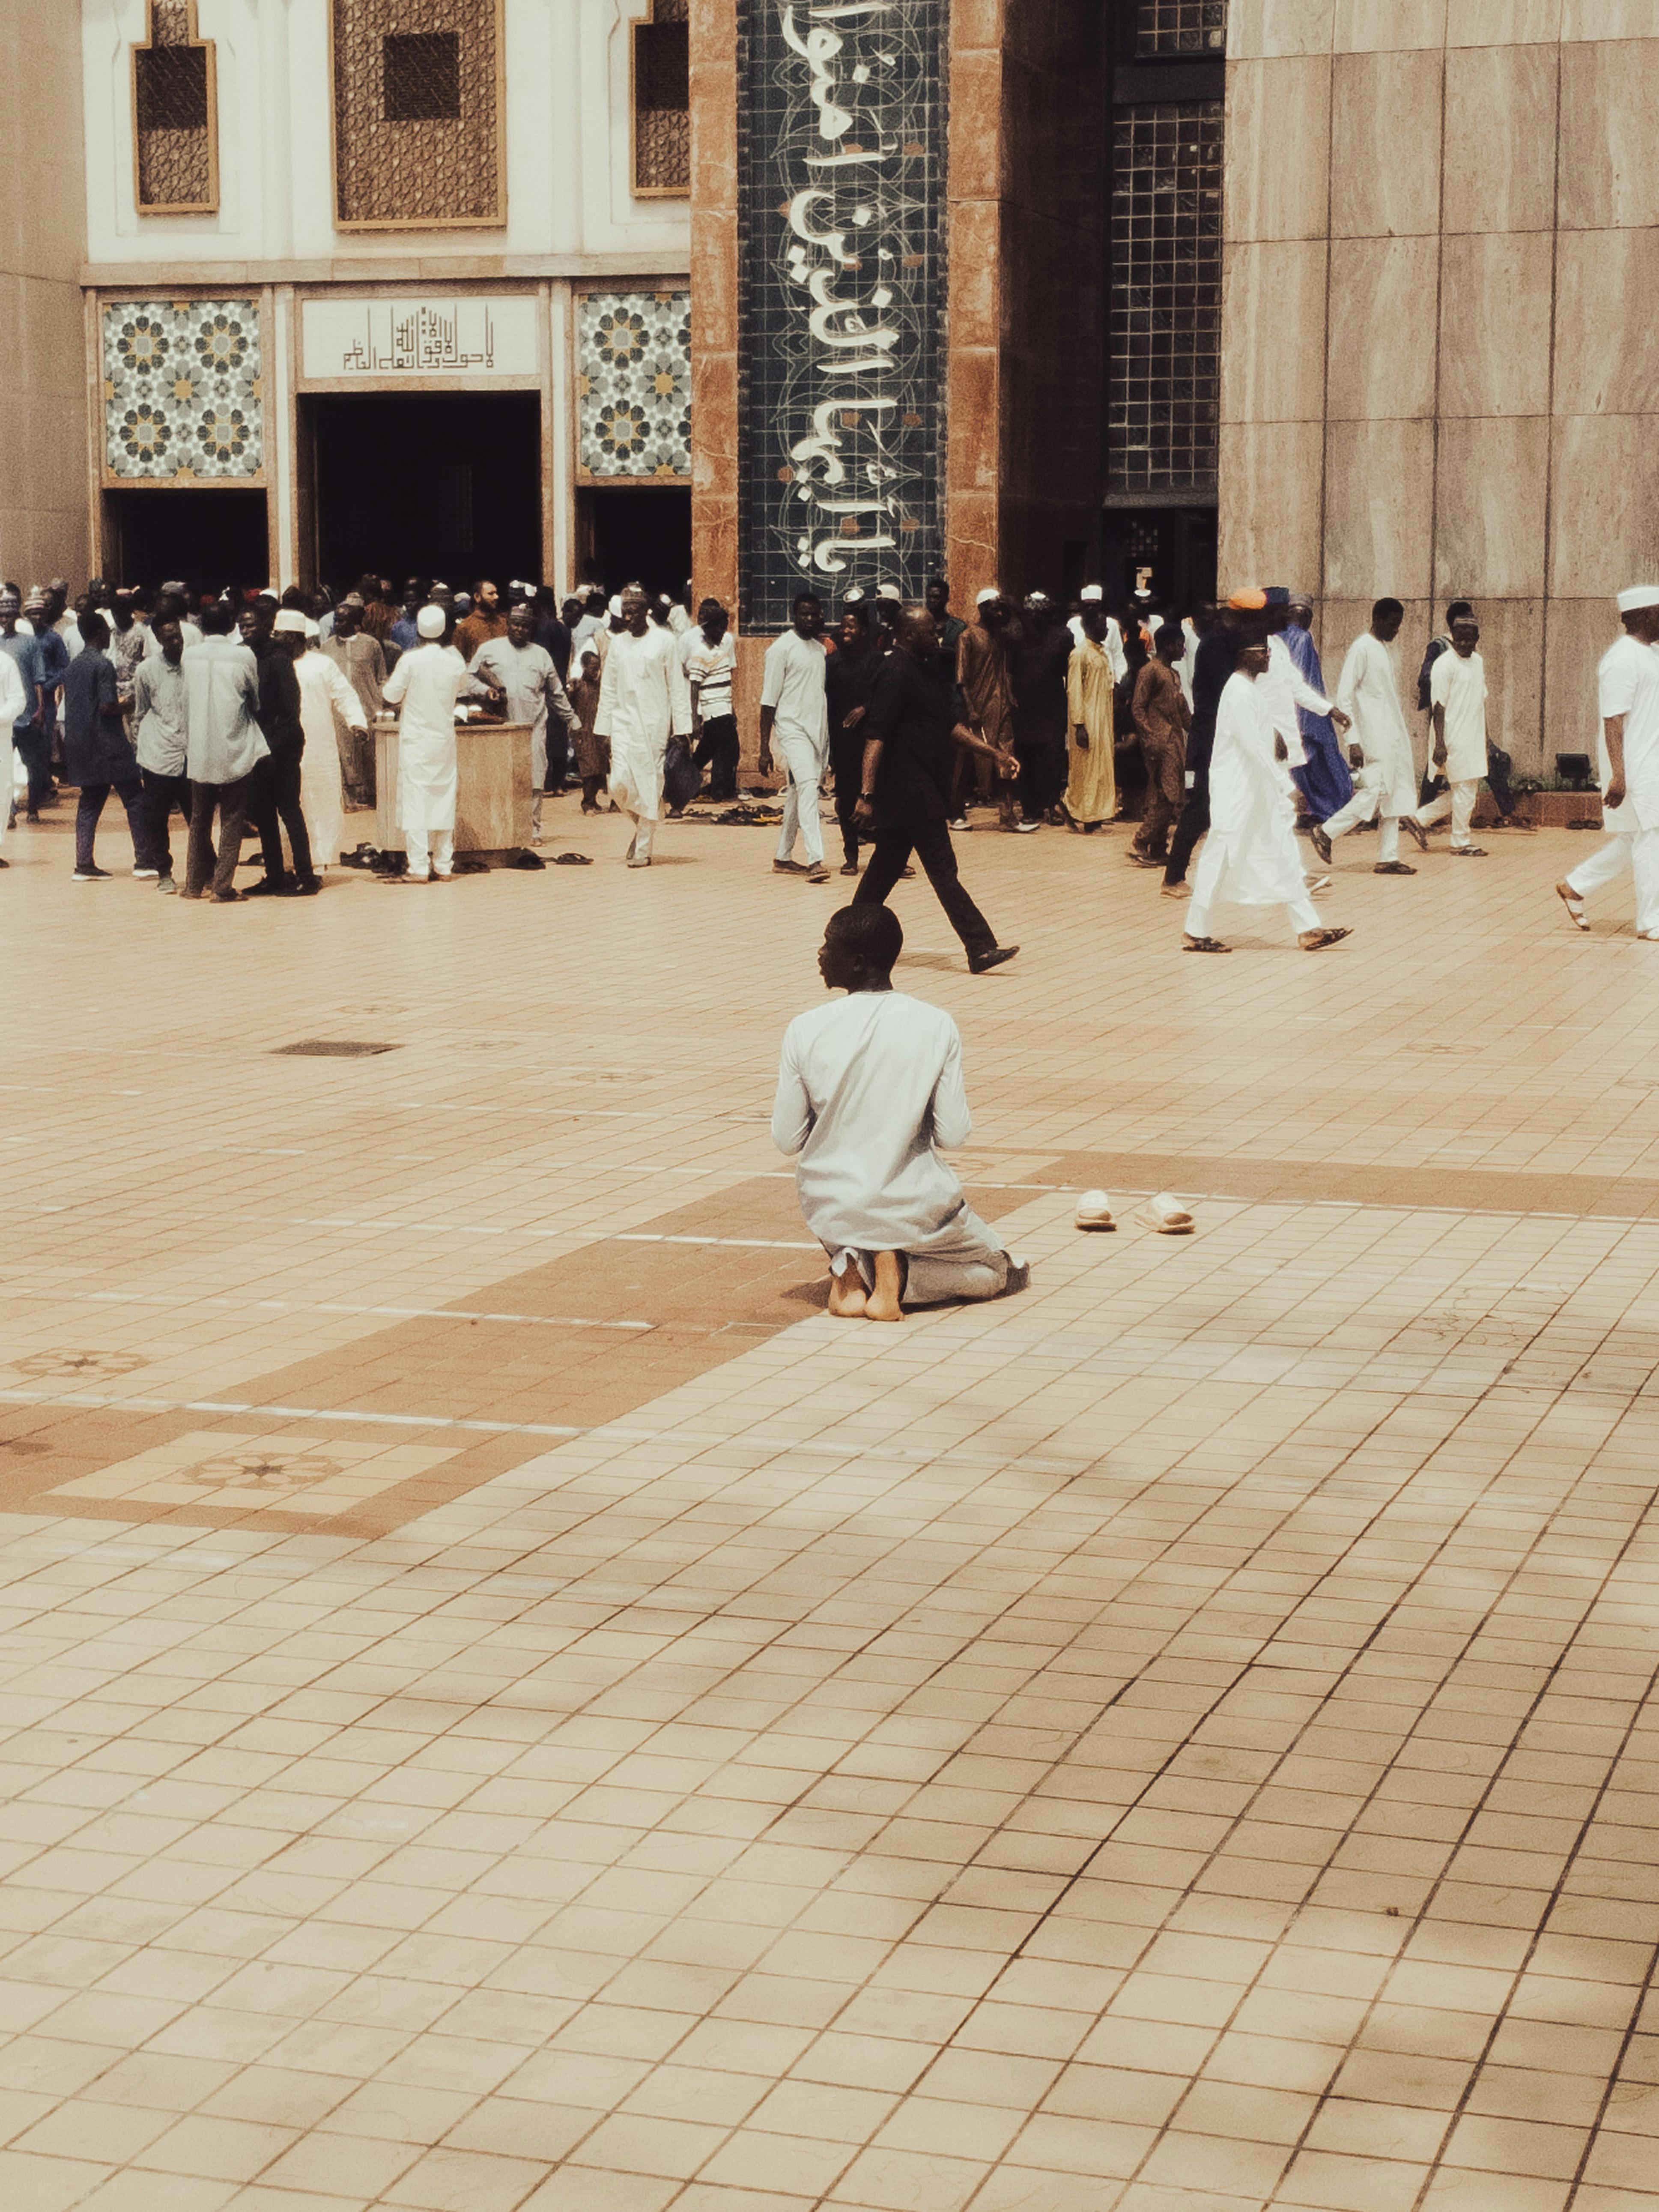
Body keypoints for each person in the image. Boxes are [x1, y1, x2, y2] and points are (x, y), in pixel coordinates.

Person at [772, 904, 1030, 1322]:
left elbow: (786, 1139)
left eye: (828, 945)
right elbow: (953, 1134)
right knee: (996, 1270)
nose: (820, 954)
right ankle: (894, 1274)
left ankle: (851, 1266)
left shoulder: (804, 1028)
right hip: (913, 1203)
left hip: (830, 1202)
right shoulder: (935, 1023)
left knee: (857, 1215)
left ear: (856, 963)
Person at [852, 605, 1020, 974]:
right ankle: (980, 947)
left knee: (883, 872)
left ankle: (845, 937)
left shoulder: (922, 669)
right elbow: (876, 736)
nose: (938, 637)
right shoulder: (896, 672)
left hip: (919, 788)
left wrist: (994, 753)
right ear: (911, 635)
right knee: (943, 871)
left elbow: (949, 726)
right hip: (910, 791)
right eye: (931, 632)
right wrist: (867, 796)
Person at [1182, 631, 1351, 955]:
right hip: (1238, 792)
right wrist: (1287, 786)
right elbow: (1253, 748)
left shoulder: (1250, 690)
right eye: (1262, 652)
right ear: (1245, 656)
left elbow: (1261, 735)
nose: (1268, 657)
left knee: (1285, 852)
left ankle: (1309, 929)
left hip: (1258, 791)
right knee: (1220, 857)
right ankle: (1194, 931)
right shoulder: (1239, 691)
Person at [1558, 586, 1659, 939]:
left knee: (1633, 838)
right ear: (1643, 615)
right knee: (1651, 837)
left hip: (1649, 763)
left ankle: (1575, 886)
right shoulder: (1621, 658)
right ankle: (1650, 921)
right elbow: (1612, 720)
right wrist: (1618, 774)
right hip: (1634, 767)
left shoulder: (1651, 654)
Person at [1315, 599, 1427, 875]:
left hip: (1392, 735)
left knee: (1394, 792)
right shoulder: (1362, 648)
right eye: (1392, 624)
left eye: (1399, 626)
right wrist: (1352, 739)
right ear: (1377, 619)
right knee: (1376, 790)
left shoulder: (1384, 649)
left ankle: (1388, 857)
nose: (1396, 631)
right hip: (1371, 736)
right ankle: (1326, 831)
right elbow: (1345, 695)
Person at [594, 584, 692, 867]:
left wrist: (682, 729)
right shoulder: (618, 644)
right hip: (623, 724)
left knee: (650, 785)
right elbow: (609, 689)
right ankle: (641, 827)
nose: (628, 618)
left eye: (634, 612)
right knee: (619, 784)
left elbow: (677, 687)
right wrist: (603, 730)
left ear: (646, 611)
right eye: (625, 613)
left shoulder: (665, 641)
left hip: (654, 725)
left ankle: (644, 849)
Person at [469, 602, 580, 840]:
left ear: (531, 629)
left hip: (533, 727)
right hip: (501, 728)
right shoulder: (490, 649)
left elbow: (556, 692)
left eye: (524, 627)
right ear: (508, 625)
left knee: (535, 779)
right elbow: (468, 677)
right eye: (515, 625)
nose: (519, 630)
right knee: (501, 780)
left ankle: (533, 830)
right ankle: (500, 830)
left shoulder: (541, 655)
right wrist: (484, 690)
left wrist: (571, 718)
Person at [183, 601, 267, 901]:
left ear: (202, 626)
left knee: (199, 819)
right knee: (232, 818)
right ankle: (222, 887)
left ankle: (193, 885)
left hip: (200, 746)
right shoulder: (243, 655)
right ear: (232, 626)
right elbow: (254, 698)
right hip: (234, 745)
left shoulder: (189, 655)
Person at [1163, 598, 1246, 895]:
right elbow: (1228, 696)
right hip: (1212, 741)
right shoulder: (1214, 648)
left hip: (1220, 740)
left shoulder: (1216, 645)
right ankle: (1173, 877)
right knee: (1200, 809)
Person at [64, 614, 151, 882]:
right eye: (106, 631)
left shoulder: (73, 667)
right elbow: (106, 706)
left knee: (90, 803)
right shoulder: (103, 665)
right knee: (136, 799)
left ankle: (84, 863)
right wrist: (130, 703)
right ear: (101, 632)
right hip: (108, 743)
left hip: (80, 743)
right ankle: (145, 859)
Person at [382, 603, 465, 882]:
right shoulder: (455, 662)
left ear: (418, 630)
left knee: (416, 801)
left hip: (417, 740)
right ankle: (443, 866)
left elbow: (392, 695)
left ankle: (418, 867)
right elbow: (461, 690)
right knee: (443, 797)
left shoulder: (410, 660)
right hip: (443, 740)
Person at [242, 606, 316, 896]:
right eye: (242, 626)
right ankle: (275, 875)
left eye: (251, 626)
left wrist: (272, 749)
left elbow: (290, 710)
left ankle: (306, 877)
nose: (246, 631)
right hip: (259, 749)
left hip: (282, 748)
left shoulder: (279, 659)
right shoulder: (248, 657)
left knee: (289, 810)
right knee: (264, 814)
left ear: (264, 627)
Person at [760, 592, 832, 882]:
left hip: (817, 733)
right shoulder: (781, 649)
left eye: (815, 614)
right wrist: (764, 747)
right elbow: (768, 702)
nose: (811, 619)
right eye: (805, 614)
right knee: (808, 789)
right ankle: (816, 859)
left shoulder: (820, 650)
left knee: (798, 794)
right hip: (791, 731)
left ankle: (783, 857)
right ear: (794, 615)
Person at [1413, 616, 1491, 856]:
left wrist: (1486, 738)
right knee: (1465, 790)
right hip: (1452, 737)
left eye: (1470, 639)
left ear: (1477, 639)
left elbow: (1481, 701)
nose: (1465, 644)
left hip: (1474, 737)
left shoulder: (1478, 662)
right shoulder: (1444, 664)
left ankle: (1418, 819)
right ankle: (1460, 842)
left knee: (1466, 791)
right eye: (1460, 639)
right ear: (1453, 638)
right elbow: (1438, 706)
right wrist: (1440, 743)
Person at [293, 620, 364, 876]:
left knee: (322, 799)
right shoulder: (276, 663)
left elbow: (344, 695)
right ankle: (291, 860)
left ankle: (322, 858)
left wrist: (356, 722)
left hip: (319, 744)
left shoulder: (322, 664)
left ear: (301, 638)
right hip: (285, 746)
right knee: (291, 803)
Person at [131, 615, 193, 893]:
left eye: (178, 635)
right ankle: (164, 872)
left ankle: (206, 868)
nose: (176, 642)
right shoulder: (146, 671)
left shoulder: (195, 667)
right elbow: (141, 712)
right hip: (159, 755)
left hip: (191, 755)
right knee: (156, 818)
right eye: (170, 638)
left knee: (198, 818)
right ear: (158, 640)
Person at [1283, 595, 1353, 822]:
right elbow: (1302, 682)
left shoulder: (1277, 638)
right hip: (1310, 717)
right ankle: (1333, 811)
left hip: (1295, 715)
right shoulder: (1303, 638)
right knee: (1325, 765)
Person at [955, 589, 1019, 830]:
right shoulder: (968, 637)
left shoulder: (1001, 637)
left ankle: (1007, 814)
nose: (999, 613)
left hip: (1001, 706)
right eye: (995, 608)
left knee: (1007, 756)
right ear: (982, 609)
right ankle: (957, 812)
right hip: (977, 708)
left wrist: (1009, 694)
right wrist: (970, 708)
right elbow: (961, 679)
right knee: (970, 761)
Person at [826, 601, 882, 876]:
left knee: (880, 797)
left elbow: (886, 697)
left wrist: (865, 708)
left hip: (873, 738)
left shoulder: (876, 660)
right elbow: (826, 704)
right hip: (844, 740)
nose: (846, 630)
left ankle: (889, 856)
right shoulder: (832, 663)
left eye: (852, 626)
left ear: (863, 629)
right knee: (847, 798)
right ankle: (851, 855)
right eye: (843, 625)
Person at [1129, 622, 1191, 865]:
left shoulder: (1173, 675)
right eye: (1179, 645)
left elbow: (1184, 711)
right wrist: (1150, 736)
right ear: (1167, 645)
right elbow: (1138, 707)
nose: (1183, 650)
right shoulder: (1150, 671)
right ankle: (1141, 841)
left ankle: (1158, 848)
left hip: (1174, 742)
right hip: (1160, 742)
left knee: (1171, 794)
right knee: (1167, 794)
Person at [1012, 592, 1071, 826]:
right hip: (1024, 706)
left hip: (1052, 706)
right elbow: (1008, 670)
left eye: (1041, 612)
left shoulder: (1062, 637)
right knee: (1025, 757)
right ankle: (1029, 808)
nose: (1036, 617)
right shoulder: (1018, 638)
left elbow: (1071, 670)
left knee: (1052, 759)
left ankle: (1051, 805)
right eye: (1032, 613)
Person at [320, 596, 386, 807]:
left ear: (354, 622)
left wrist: (379, 703)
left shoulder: (371, 645)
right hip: (339, 713)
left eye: (342, 621)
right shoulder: (328, 648)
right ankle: (350, 799)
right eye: (336, 621)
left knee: (369, 755)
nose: (338, 625)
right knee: (344, 754)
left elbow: (381, 677)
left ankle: (373, 796)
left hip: (368, 708)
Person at [1064, 599, 1119, 832]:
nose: (1106, 630)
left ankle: (1091, 812)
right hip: (1087, 720)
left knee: (1101, 768)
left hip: (1103, 719)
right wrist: (1079, 725)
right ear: (1089, 627)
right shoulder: (1080, 654)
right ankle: (1087, 816)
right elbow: (1074, 690)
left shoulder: (1101, 653)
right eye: (1102, 626)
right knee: (1087, 769)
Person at [1, 588, 52, 821]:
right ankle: (9, 810)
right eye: (1, 616)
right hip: (6, 717)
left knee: (33, 765)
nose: (5, 620)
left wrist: (40, 709)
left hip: (28, 713)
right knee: (5, 768)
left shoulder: (30, 644)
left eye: (9, 616)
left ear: (16, 617)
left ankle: (32, 808)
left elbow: (39, 678)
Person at [686, 601, 740, 802]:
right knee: (730, 750)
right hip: (713, 710)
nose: (722, 631)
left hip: (723, 708)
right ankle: (720, 791)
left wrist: (732, 708)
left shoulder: (722, 650)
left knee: (706, 751)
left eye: (724, 626)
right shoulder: (701, 653)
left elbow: (726, 684)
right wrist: (695, 717)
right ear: (708, 628)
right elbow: (694, 686)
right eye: (718, 626)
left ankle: (682, 783)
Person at [569, 648, 609, 811]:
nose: (596, 672)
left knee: (600, 768)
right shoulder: (578, 686)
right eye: (593, 668)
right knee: (589, 769)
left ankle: (593, 801)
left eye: (598, 668)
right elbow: (568, 705)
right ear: (584, 666)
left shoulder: (600, 687)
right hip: (583, 733)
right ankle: (587, 803)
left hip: (598, 732)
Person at [454, 580, 507, 663]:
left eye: (496, 593)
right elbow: (458, 662)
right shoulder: (465, 628)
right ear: (477, 597)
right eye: (491, 594)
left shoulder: (503, 623)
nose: (496, 597)